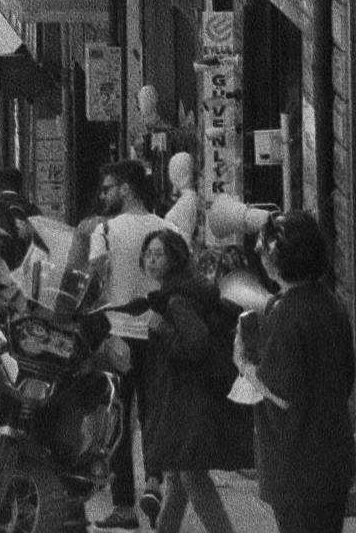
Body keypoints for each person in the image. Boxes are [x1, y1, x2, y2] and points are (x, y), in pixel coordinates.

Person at [239, 214, 356, 533]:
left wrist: (246, 367)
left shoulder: (286, 314)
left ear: (275, 260)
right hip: (332, 452)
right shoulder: (330, 302)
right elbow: (346, 376)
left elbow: (281, 391)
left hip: (297, 459)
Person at [132, 226, 243, 533]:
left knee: (190, 474)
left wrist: (161, 328)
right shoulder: (182, 290)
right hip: (189, 396)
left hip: (188, 399)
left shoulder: (176, 299)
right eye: (148, 254)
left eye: (159, 254)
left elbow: (196, 344)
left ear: (175, 258)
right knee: (180, 475)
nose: (152, 261)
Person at [86, 161, 162, 528]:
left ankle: (124, 505)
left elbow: (95, 282)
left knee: (117, 420)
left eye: (108, 188)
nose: (103, 195)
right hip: (158, 334)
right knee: (153, 414)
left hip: (118, 334)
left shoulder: (104, 231)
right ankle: (155, 483)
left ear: (127, 189)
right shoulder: (167, 228)